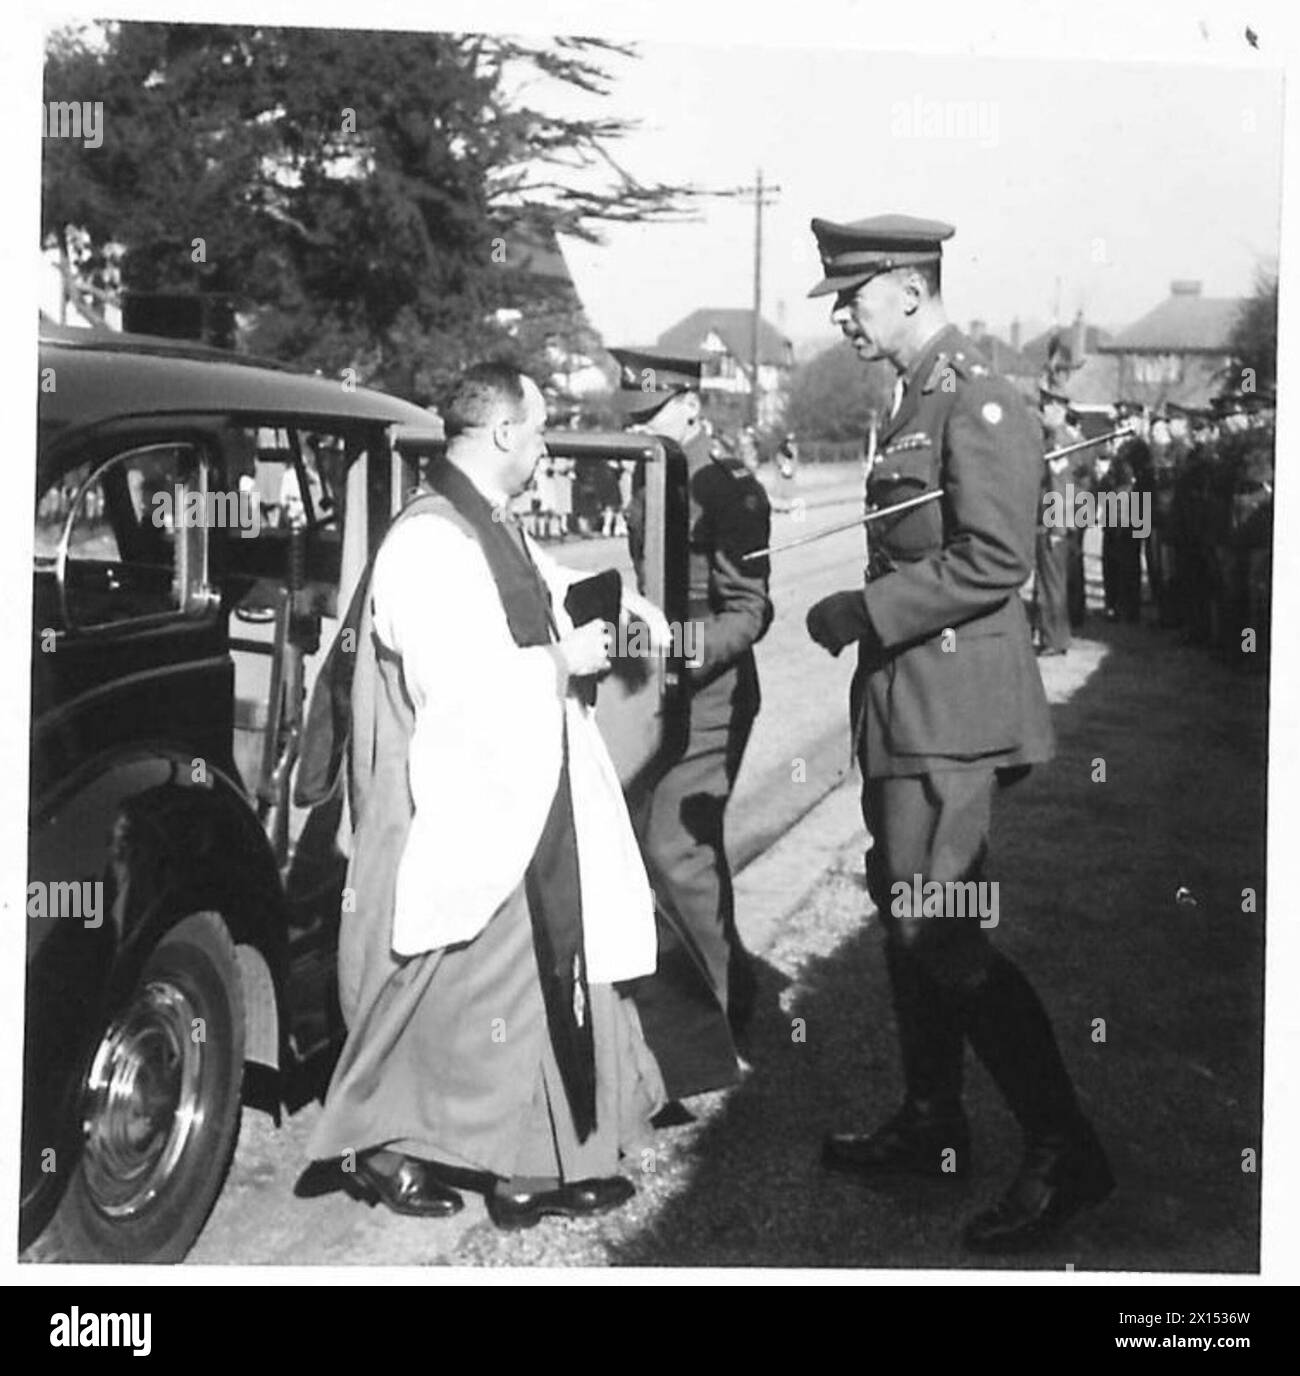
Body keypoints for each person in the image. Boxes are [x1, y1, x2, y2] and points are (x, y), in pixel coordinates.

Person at [803, 213, 1113, 1253]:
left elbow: (994, 559)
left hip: (953, 716)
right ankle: (933, 1119)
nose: (842, 317)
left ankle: (1064, 1147)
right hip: (906, 712)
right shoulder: (911, 397)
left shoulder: (977, 394)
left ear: (903, 285)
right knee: (907, 917)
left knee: (939, 926)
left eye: (850, 297)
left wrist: (862, 612)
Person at [304, 362, 670, 1229]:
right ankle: (380, 1145)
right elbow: (457, 684)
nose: (544, 450)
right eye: (540, 432)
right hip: (452, 790)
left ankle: (534, 1162)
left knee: (533, 973)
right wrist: (562, 663)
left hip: (511, 776)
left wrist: (625, 610)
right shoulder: (430, 541)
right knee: (455, 981)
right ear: (504, 433)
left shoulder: (486, 523)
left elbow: (544, 586)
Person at [610, 345, 773, 1094]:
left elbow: (751, 611)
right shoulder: (653, 472)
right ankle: (692, 1000)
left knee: (678, 847)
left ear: (691, 408)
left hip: (711, 693)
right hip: (657, 687)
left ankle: (720, 1020)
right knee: (641, 846)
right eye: (635, 417)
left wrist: (681, 651)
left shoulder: (727, 486)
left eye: (653, 415)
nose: (643, 428)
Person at [1035, 384, 1073, 656]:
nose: (1042, 411)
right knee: (1048, 582)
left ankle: (1055, 638)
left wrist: (1057, 526)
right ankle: (1051, 635)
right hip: (1048, 519)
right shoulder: (1052, 438)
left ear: (1059, 409)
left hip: (1052, 521)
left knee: (1052, 584)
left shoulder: (1058, 441)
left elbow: (1060, 486)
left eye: (1046, 406)